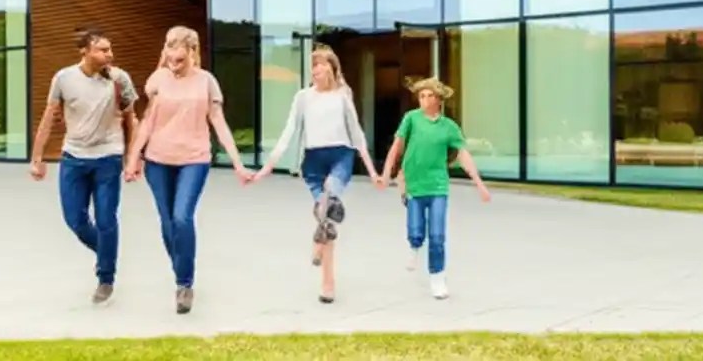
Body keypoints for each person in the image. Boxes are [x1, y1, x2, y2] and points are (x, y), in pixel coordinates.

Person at [125, 26, 252, 314]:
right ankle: (181, 267)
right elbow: (147, 121)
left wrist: (238, 163)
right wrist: (134, 157)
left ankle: (184, 283)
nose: (173, 62)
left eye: (179, 58)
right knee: (168, 221)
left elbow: (218, 121)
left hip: (194, 159)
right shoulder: (158, 80)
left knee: (182, 217)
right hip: (157, 159)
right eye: (169, 55)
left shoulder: (206, 82)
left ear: (193, 53)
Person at [250, 44, 382, 304]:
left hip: (340, 157)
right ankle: (322, 245)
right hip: (313, 162)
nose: (316, 70)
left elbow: (356, 134)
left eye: (321, 65)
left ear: (332, 68)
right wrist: (267, 167)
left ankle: (327, 283)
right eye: (313, 66)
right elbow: (289, 132)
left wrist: (373, 171)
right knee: (326, 218)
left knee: (328, 206)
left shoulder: (344, 95)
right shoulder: (303, 97)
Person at [29, 28, 138, 305]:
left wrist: (133, 158)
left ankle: (106, 278)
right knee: (75, 219)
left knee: (106, 219)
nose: (109, 54)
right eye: (103, 49)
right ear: (86, 51)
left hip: (108, 157)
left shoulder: (119, 79)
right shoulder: (63, 79)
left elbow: (131, 119)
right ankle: (107, 253)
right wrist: (37, 157)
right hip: (74, 158)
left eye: (110, 49)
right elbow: (49, 117)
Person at [377, 76, 491, 300]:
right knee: (416, 230)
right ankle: (414, 245)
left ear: (439, 100)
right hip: (413, 183)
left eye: (429, 96)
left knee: (437, 235)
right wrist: (385, 174)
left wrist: (479, 184)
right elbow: (396, 148)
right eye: (421, 96)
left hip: (438, 185)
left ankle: (437, 278)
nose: (425, 100)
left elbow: (463, 155)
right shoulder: (411, 119)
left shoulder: (449, 127)